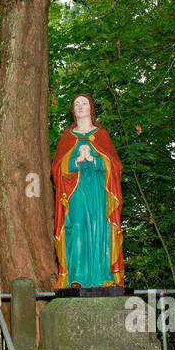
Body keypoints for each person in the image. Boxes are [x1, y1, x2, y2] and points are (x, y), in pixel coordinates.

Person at [51, 94, 124, 289]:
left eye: (84, 103)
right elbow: (56, 169)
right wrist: (75, 162)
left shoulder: (101, 135)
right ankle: (78, 276)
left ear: (91, 108)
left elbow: (116, 166)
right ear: (73, 111)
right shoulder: (67, 137)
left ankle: (103, 276)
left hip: (99, 190)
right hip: (75, 190)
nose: (80, 106)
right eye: (76, 104)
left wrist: (95, 160)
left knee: (99, 229)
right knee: (77, 228)